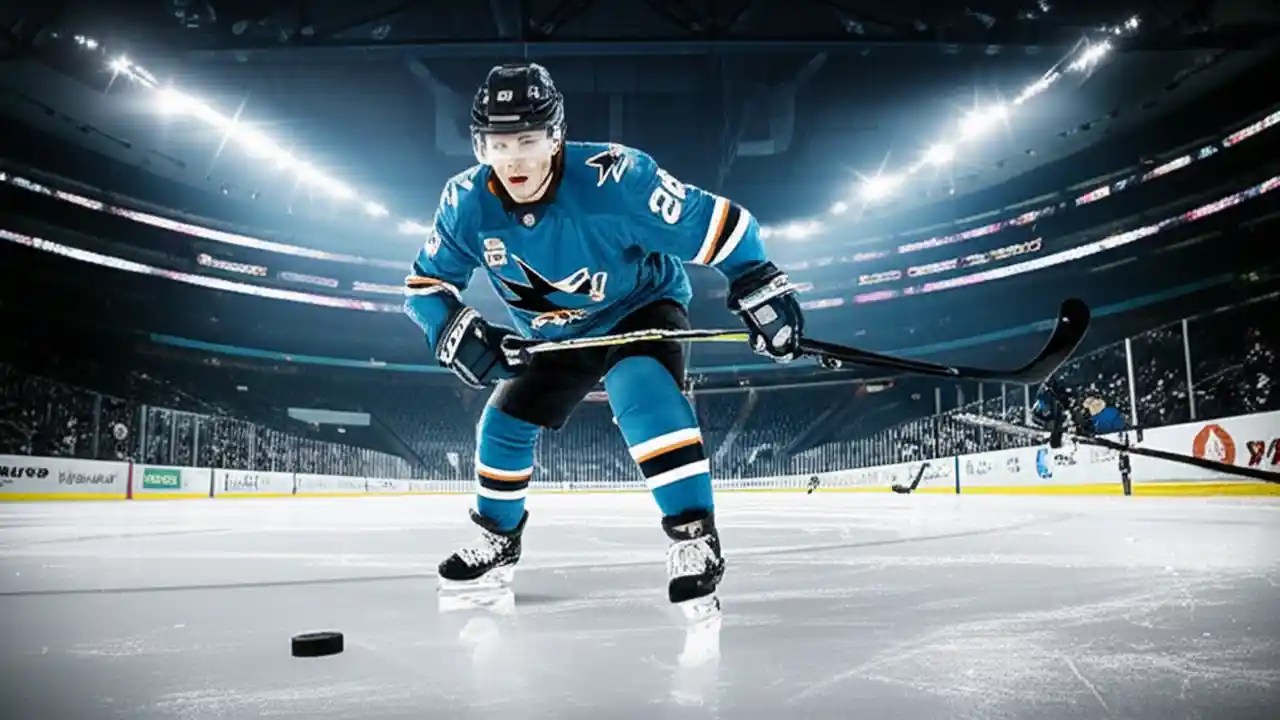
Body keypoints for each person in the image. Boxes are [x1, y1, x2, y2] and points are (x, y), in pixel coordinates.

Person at [402, 63, 803, 617]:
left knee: (640, 390)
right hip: (553, 335)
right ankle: (500, 536)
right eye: (498, 143)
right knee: (502, 422)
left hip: (637, 305)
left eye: (528, 139)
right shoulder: (465, 202)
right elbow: (424, 286)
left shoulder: (617, 180)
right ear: (479, 144)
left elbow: (723, 226)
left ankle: (694, 538)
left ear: (556, 135)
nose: (513, 158)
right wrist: (450, 326)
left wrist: (757, 283)